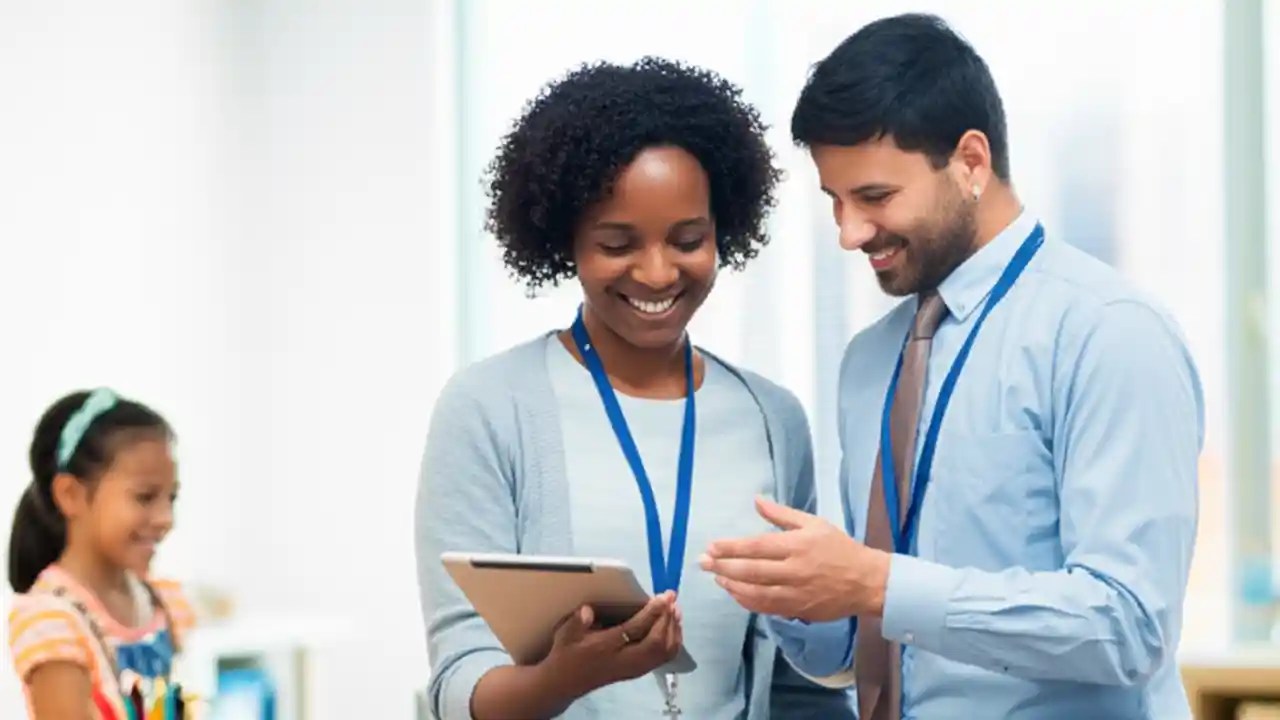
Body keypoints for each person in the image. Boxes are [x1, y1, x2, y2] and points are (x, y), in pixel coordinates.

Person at [700, 13, 1203, 720]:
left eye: (875, 197)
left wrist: (878, 583)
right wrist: (791, 594)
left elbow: (1129, 625)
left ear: (971, 162)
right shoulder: (869, 360)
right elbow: (857, 653)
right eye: (835, 202)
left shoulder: (1108, 333)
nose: (849, 233)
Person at [415, 57, 855, 719]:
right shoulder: (489, 408)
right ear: (566, 240)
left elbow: (793, 685)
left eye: (688, 239)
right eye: (617, 244)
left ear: (722, 231)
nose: (656, 273)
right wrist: (562, 678)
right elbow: (459, 685)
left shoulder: (771, 419)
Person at [7, 389, 197, 720]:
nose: (166, 519)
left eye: (171, 498)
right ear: (70, 495)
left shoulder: (170, 603)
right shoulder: (51, 620)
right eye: (145, 497)